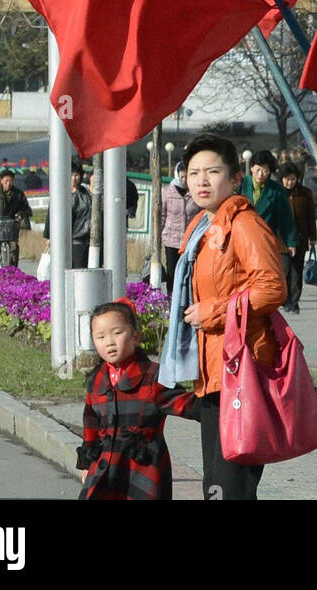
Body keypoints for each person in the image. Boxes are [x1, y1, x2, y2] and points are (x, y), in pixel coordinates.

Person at [180, 133, 288, 501]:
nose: (202, 181)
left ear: (234, 178)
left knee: (230, 487)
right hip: (212, 373)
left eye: (212, 171)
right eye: (194, 172)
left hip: (240, 371)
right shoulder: (201, 227)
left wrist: (214, 311)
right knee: (217, 485)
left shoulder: (243, 224)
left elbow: (273, 287)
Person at [77, 298, 200, 500]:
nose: (109, 342)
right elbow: (90, 421)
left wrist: (216, 401)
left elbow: (185, 404)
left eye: (117, 333)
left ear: (135, 336)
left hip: (142, 466)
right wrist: (87, 461)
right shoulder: (96, 379)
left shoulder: (152, 377)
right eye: (100, 337)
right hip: (105, 466)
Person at [241, 151, 298, 270]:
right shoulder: (241, 185)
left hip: (264, 239)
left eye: (265, 171)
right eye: (257, 170)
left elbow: (285, 218)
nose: (260, 174)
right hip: (242, 236)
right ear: (251, 168)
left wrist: (290, 242)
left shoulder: (276, 190)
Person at [279, 161, 316, 314]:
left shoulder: (305, 193)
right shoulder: (278, 193)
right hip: (280, 239)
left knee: (297, 271)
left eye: (293, 179)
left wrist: (313, 237)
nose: (290, 182)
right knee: (285, 270)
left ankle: (294, 302)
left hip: (301, 238)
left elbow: (310, 217)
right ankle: (285, 300)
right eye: (287, 179)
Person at [42, 166, 93, 269]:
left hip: (80, 238)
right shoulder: (60, 192)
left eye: (76, 175)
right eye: (71, 175)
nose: (74, 178)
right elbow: (51, 214)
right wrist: (49, 236)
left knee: (79, 269)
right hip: (61, 238)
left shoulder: (85, 193)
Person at [160, 163, 199, 296]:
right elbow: (162, 215)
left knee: (190, 271)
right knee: (173, 272)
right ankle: (172, 298)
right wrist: (159, 236)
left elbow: (201, 214)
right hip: (171, 240)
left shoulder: (195, 192)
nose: (184, 180)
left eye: (187, 176)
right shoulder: (166, 192)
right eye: (182, 176)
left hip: (190, 240)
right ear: (177, 175)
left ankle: (188, 298)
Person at [0, 169, 32, 266]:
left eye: (10, 181)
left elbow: (26, 208)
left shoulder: (19, 194)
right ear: (1, 181)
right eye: (6, 181)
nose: (8, 183)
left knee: (14, 247)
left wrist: (21, 214)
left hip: (12, 225)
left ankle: (13, 270)